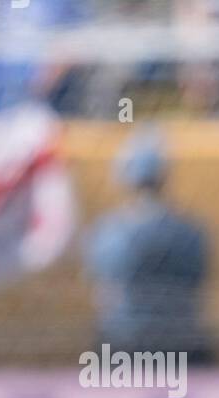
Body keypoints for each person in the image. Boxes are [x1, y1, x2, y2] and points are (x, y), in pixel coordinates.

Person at [84, 132, 210, 360]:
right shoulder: (190, 231)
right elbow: (198, 281)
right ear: (163, 177)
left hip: (123, 345)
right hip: (182, 346)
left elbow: (101, 289)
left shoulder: (108, 231)